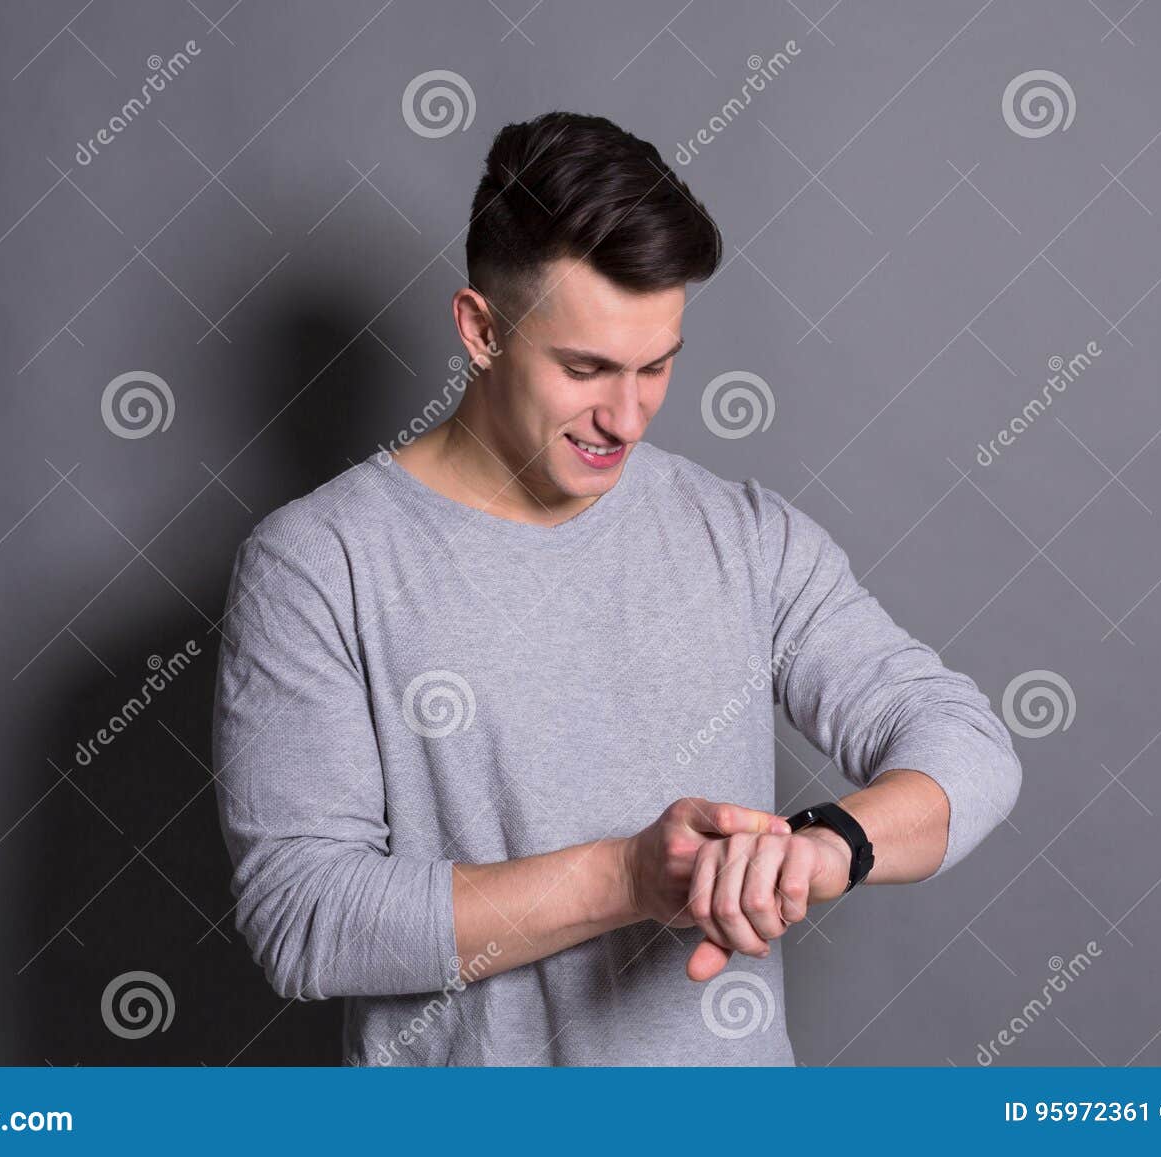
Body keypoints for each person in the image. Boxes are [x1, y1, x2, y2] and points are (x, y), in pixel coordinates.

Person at [210, 110, 1022, 1066]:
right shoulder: (318, 565)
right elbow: (305, 918)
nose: (625, 414)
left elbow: (965, 742)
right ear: (480, 329)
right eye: (584, 368)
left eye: (657, 365)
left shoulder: (744, 535)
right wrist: (630, 876)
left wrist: (823, 847)